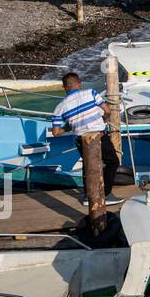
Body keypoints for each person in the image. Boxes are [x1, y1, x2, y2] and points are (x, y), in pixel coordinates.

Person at [49, 73, 122, 207]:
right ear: (79, 83)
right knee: (112, 162)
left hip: (81, 139)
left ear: (64, 87)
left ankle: (88, 197)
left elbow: (55, 132)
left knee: (88, 166)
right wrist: (102, 120)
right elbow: (106, 111)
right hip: (99, 135)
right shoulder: (91, 93)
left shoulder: (59, 107)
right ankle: (105, 194)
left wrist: (68, 127)